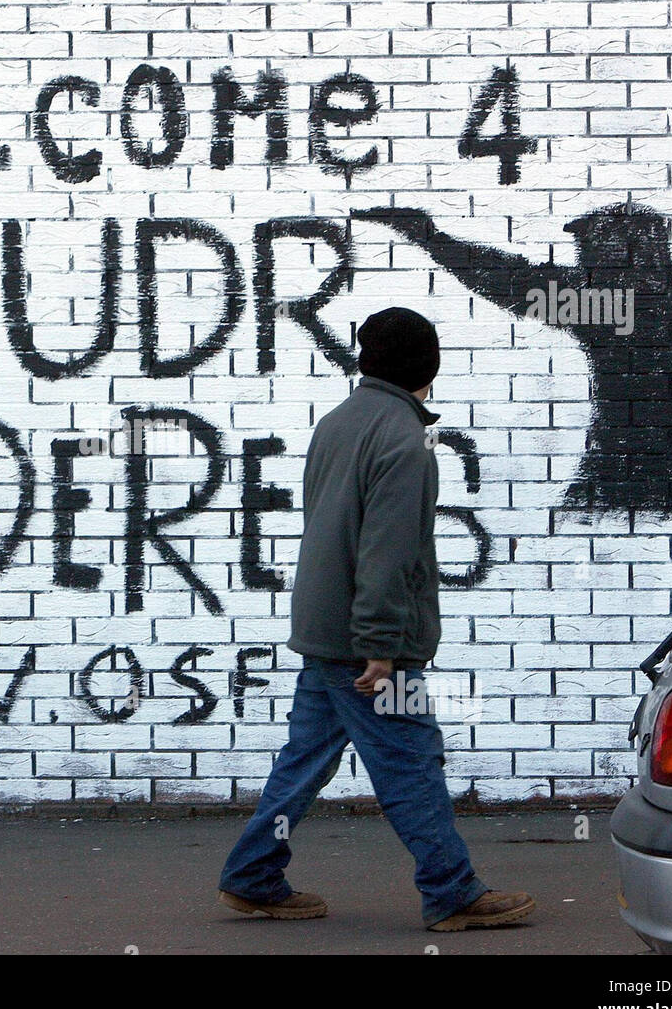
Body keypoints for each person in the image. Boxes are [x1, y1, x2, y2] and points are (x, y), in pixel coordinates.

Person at [217, 307, 535, 932]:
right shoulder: (406, 441)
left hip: (324, 630)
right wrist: (381, 647)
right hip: (366, 644)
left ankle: (252, 876)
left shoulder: (338, 423)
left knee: (305, 760)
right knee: (410, 760)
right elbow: (385, 555)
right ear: (430, 366)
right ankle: (452, 891)